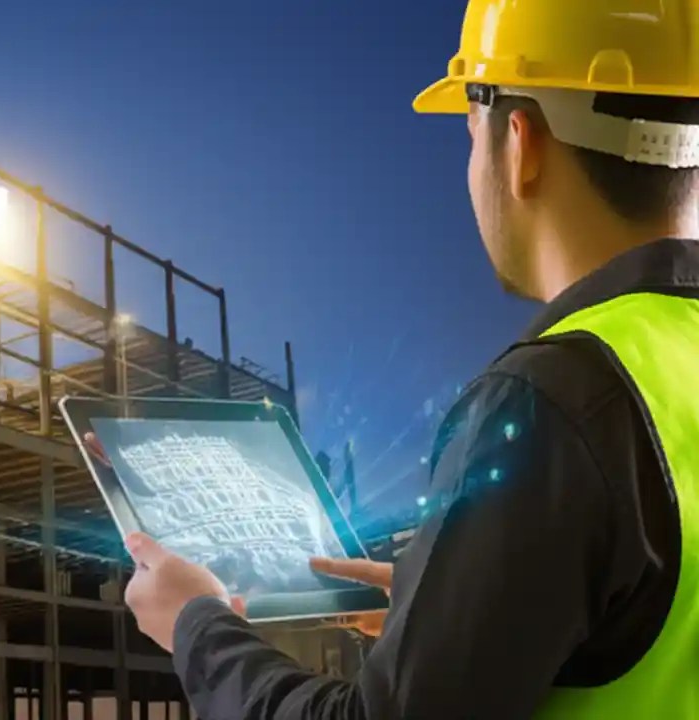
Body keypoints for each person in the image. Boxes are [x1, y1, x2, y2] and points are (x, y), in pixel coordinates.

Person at [121, 2, 699, 717]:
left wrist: (197, 626)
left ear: (521, 142)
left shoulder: (552, 400)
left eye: (468, 132)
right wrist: (467, 595)